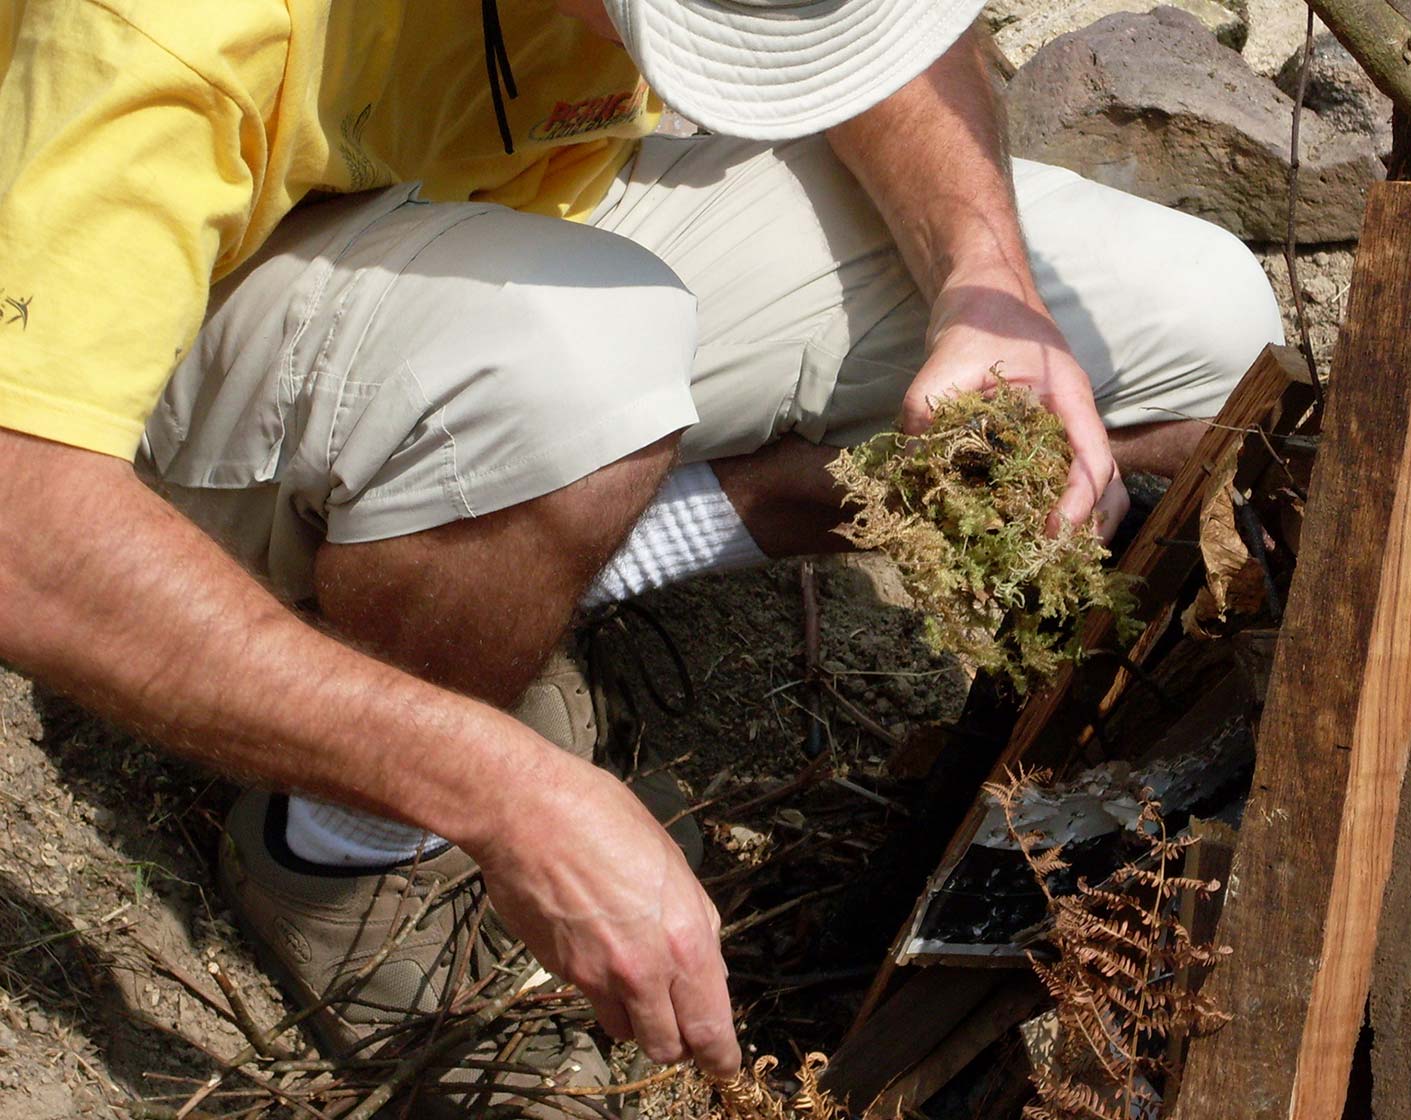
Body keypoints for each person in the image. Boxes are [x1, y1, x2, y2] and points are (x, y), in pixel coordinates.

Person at [0, 0, 1283, 1089]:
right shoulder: (164, 32)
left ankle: (525, 566)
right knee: (570, 365)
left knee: (1192, 329)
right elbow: (20, 519)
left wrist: (982, 280)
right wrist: (500, 791)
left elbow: (864, 35)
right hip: (179, 320)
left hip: (542, 190)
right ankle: (333, 845)